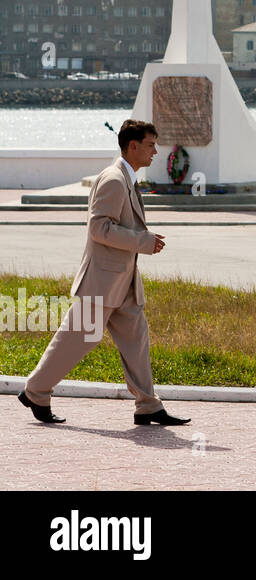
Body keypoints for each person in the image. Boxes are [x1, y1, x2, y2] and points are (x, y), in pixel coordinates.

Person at [17, 119, 190, 426]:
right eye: (150, 145)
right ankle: (35, 391)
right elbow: (99, 228)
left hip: (122, 284)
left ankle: (148, 405)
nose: (155, 151)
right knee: (74, 340)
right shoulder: (113, 179)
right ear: (133, 146)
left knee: (137, 342)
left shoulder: (125, 177)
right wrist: (143, 242)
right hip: (102, 282)